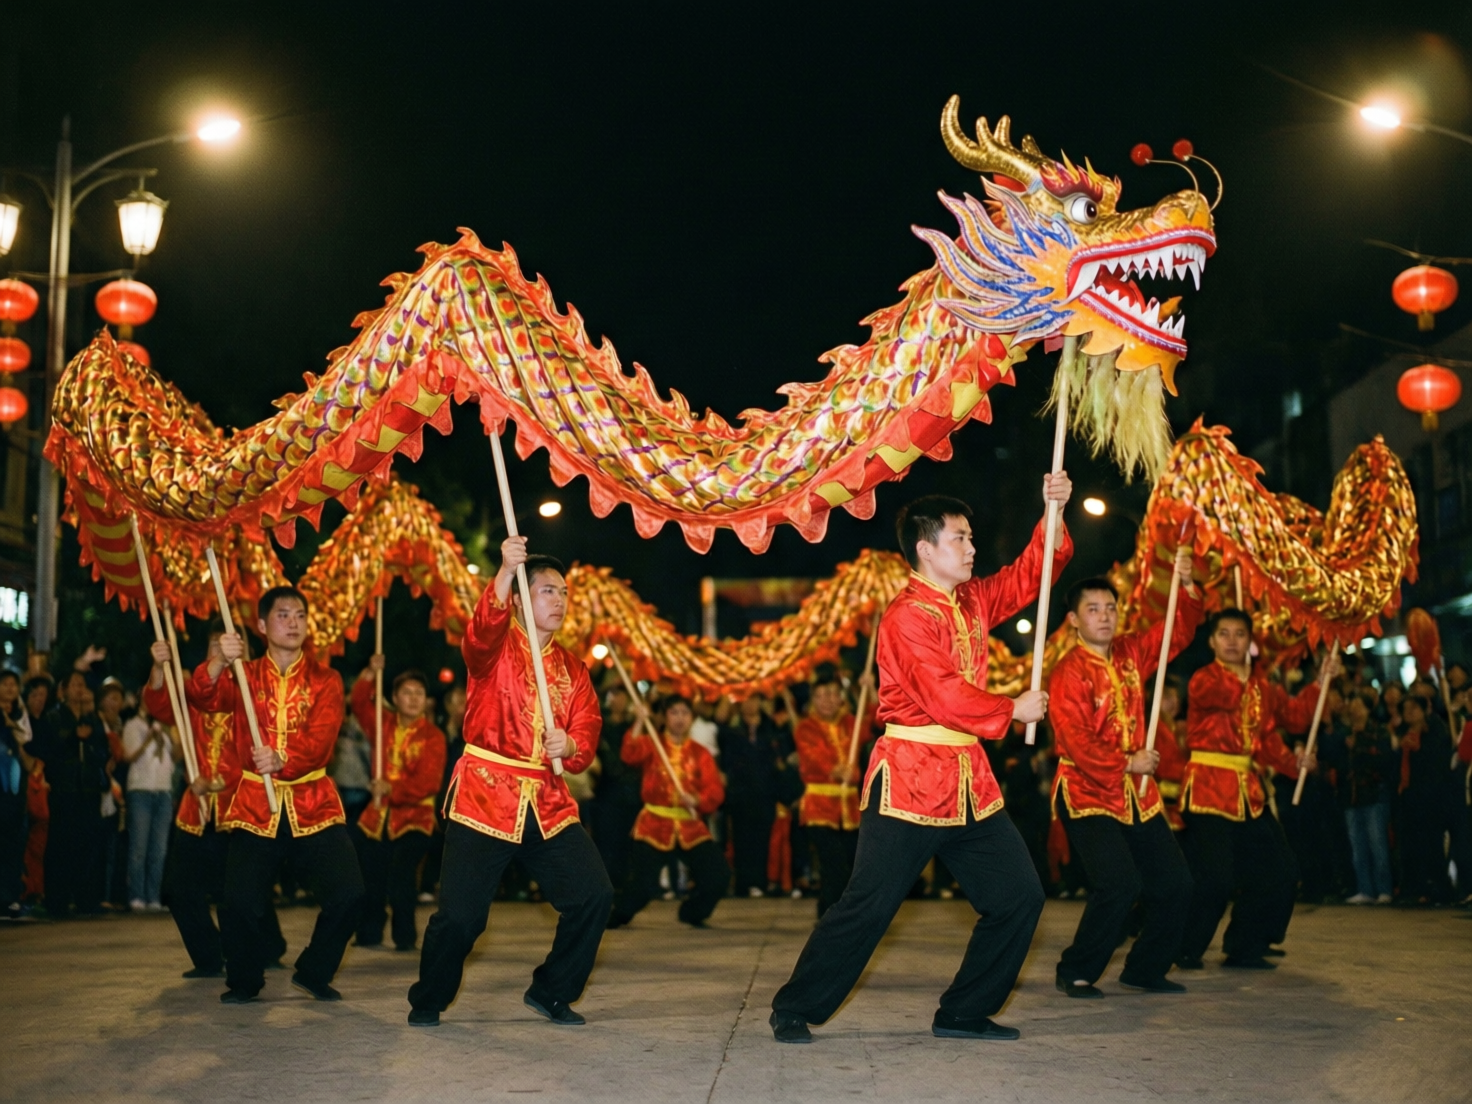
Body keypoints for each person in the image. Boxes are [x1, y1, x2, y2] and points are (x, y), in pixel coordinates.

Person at [770, 478, 1072, 1044]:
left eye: (972, 537)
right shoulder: (907, 616)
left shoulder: (972, 601)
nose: (972, 547)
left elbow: (1032, 575)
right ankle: (796, 1004)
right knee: (870, 903)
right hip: (911, 777)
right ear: (926, 549)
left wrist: (1051, 515)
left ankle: (963, 1011)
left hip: (968, 781)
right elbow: (943, 695)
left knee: (1019, 896)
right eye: (960, 538)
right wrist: (1011, 709)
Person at [408, 538, 610, 1029]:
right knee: (461, 918)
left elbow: (588, 725)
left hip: (547, 800)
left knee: (593, 895)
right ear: (520, 599)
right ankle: (429, 997)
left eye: (563, 592)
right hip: (485, 793)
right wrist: (503, 570)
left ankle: (552, 990)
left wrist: (572, 747)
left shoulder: (574, 668)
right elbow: (479, 630)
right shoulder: (495, 645)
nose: (558, 600)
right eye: (545, 591)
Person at [194, 585, 364, 1004]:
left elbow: (323, 739)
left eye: (300, 615)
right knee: (238, 903)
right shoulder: (244, 674)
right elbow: (202, 698)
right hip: (254, 804)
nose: (293, 622)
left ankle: (314, 969)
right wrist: (218, 660)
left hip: (313, 803)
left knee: (350, 894)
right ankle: (245, 980)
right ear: (262, 624)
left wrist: (283, 757)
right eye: (283, 615)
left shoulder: (326, 679)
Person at [1048, 550, 1200, 998]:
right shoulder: (1067, 673)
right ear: (1074, 619)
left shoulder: (1133, 651)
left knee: (1176, 882)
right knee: (1118, 883)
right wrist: (1126, 762)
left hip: (1138, 793)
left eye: (1111, 608)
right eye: (1093, 609)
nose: (1105, 617)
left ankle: (1145, 968)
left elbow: (1179, 631)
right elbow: (1076, 740)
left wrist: (1186, 587)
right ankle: (1075, 968)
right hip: (1086, 788)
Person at [1176, 610, 1323, 970]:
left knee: (1281, 871)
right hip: (1208, 788)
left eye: (1239, 634)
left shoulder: (1262, 688)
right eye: (1223, 634)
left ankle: (1247, 943)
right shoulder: (1203, 680)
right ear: (1211, 642)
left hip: (1247, 792)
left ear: (1250, 641)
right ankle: (1183, 947)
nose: (1231, 640)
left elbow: (1285, 724)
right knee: (1215, 878)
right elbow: (1226, 697)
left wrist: (1320, 683)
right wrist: (1256, 679)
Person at [142, 630, 287, 979]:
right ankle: (208, 956)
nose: (224, 650)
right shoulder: (195, 691)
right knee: (178, 889)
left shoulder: (259, 693)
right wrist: (158, 668)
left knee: (237, 889)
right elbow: (160, 704)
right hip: (197, 807)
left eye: (233, 645)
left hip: (240, 806)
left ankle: (266, 948)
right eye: (216, 646)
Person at [349, 661, 447, 951]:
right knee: (371, 874)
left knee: (403, 879)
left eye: (420, 693)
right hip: (378, 815)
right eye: (407, 692)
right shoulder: (383, 723)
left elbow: (428, 783)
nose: (415, 698)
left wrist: (392, 789)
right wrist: (369, 672)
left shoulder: (434, 737)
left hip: (415, 818)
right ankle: (369, 931)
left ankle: (405, 936)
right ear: (394, 697)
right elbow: (358, 702)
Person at [609, 696, 729, 928]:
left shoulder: (700, 753)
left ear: (692, 718)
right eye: (674, 713)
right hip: (654, 823)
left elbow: (714, 791)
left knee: (718, 874)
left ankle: (692, 912)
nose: (680, 718)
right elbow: (629, 754)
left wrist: (696, 799)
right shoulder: (652, 743)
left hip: (689, 825)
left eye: (685, 713)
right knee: (642, 886)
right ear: (664, 717)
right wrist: (639, 722)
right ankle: (617, 914)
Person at [28, 671, 112, 918]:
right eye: (74, 684)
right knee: (61, 845)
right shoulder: (54, 717)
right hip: (64, 789)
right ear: (63, 690)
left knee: (87, 845)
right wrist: (74, 738)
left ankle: (87, 899)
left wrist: (92, 747)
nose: (79, 689)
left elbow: (102, 751)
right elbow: (50, 750)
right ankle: (58, 901)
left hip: (87, 789)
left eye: (82, 684)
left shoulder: (91, 718)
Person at [791, 671, 866, 919]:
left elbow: (879, 719)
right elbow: (811, 756)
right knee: (834, 866)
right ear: (813, 699)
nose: (828, 700)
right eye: (822, 695)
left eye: (834, 693)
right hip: (819, 808)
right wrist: (835, 769)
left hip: (850, 809)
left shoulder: (850, 724)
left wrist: (869, 688)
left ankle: (832, 914)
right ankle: (829, 917)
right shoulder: (806, 727)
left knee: (852, 867)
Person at [1319, 693, 1394, 904]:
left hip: (1373, 794)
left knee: (1377, 845)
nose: (1355, 709)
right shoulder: (1344, 734)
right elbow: (1333, 758)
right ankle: (1365, 888)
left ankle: (1384, 889)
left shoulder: (1378, 731)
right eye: (1353, 705)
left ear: (1369, 709)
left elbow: (1382, 759)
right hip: (1351, 797)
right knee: (1357, 846)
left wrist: (1358, 748)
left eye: (1359, 705)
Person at [718, 695, 785, 897]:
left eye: (754, 698)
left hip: (765, 793)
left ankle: (761, 881)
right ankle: (743, 883)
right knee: (741, 839)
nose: (750, 703)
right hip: (740, 794)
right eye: (746, 699)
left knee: (763, 838)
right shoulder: (732, 730)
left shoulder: (770, 728)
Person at [120, 697, 178, 911]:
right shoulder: (133, 725)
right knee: (139, 847)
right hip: (141, 790)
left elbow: (175, 757)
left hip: (163, 791)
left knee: (159, 849)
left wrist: (173, 736)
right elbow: (129, 756)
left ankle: (153, 896)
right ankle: (137, 895)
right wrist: (148, 739)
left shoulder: (165, 727)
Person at [0, 669, 34, 920]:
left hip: (15, 792)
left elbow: (25, 742)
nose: (10, 688)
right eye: (5, 684)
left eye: (14, 684)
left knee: (13, 845)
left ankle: (11, 898)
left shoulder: (20, 715)